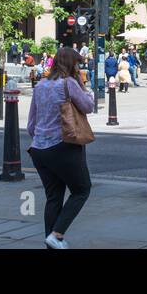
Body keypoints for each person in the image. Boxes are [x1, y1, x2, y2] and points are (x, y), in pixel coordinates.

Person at [26, 47, 94, 249]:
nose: (79, 67)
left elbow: (31, 125)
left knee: (53, 197)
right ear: (71, 64)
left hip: (38, 150)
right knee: (81, 190)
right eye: (78, 63)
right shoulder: (70, 83)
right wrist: (83, 87)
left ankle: (52, 242)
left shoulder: (41, 85)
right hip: (63, 146)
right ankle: (57, 234)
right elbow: (89, 106)